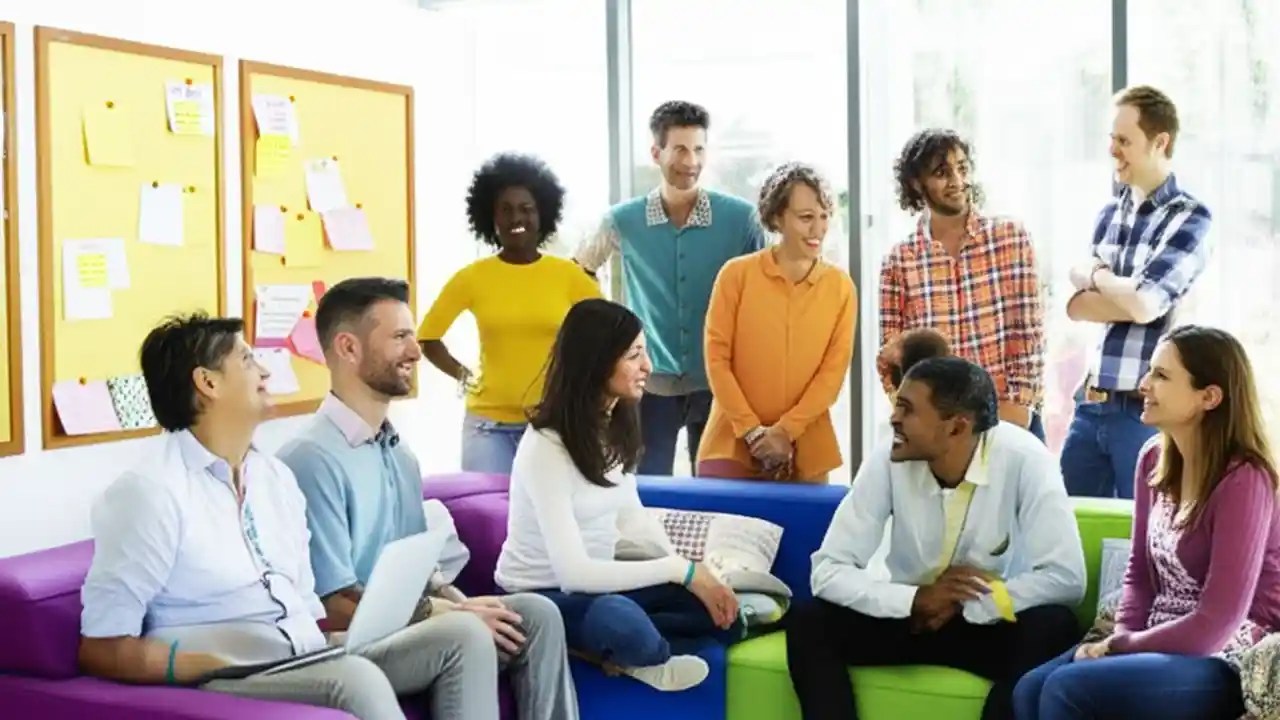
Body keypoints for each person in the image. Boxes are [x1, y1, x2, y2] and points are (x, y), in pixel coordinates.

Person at [78, 313, 429, 719]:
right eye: (247, 361)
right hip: (231, 673)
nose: (265, 372)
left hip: (303, 654)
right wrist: (203, 664)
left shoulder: (275, 478)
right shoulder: (150, 492)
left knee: (460, 637)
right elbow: (101, 647)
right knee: (357, 679)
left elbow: (305, 603)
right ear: (207, 383)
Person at [278, 277, 578, 720]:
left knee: (536, 614)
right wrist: (451, 615)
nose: (416, 352)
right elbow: (333, 603)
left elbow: (420, 574)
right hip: (348, 642)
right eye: (399, 337)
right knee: (466, 633)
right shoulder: (309, 459)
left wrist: (460, 602)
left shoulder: (400, 454)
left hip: (408, 625)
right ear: (348, 348)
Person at [786, 357, 1087, 720]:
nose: (894, 419)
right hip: (910, 619)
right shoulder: (887, 456)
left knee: (1055, 627)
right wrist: (915, 600)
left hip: (987, 625)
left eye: (907, 409)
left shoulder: (1026, 459)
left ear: (957, 427)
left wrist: (971, 601)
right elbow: (827, 571)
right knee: (810, 620)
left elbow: (1067, 578)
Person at [1013, 325, 1280, 720]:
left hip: (1225, 655)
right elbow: (1139, 574)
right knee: (1029, 689)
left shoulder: (1245, 479)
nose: (1143, 384)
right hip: (1157, 637)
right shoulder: (1152, 459)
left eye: (1161, 375)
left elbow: (1217, 623)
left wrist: (1120, 648)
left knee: (1068, 688)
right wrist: (1123, 637)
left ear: (1209, 397)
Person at [495, 298, 742, 692]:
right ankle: (641, 656)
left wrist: (694, 576)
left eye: (645, 353)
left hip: (600, 588)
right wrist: (679, 571)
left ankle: (618, 653)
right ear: (596, 362)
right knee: (617, 619)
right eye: (634, 355)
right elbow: (574, 575)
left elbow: (632, 519)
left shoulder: (613, 425)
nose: (648, 367)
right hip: (541, 599)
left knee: (724, 615)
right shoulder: (545, 445)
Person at [572, 101, 766, 475]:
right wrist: (611, 332)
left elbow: (761, 293)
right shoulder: (621, 220)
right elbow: (579, 269)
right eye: (679, 149)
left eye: (698, 149)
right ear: (656, 153)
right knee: (647, 488)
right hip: (648, 385)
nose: (690, 161)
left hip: (720, 384)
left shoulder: (742, 219)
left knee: (715, 490)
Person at [1061, 85, 1212, 499]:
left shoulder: (1191, 218)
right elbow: (1076, 306)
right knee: (1069, 525)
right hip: (1090, 405)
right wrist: (1125, 291)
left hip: (1143, 412)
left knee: (1145, 530)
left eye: (1124, 141)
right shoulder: (1109, 214)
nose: (1113, 150)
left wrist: (1097, 275)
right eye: (1111, 139)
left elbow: (1145, 305)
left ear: (1160, 142)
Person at [419, 152, 602, 474]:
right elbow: (428, 337)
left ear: (541, 215)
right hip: (487, 427)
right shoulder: (472, 277)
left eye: (526, 209)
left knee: (549, 506)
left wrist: (583, 387)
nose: (516, 217)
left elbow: (611, 336)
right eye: (505, 209)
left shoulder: (568, 276)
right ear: (491, 218)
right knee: (489, 507)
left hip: (553, 425)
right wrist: (464, 376)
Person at [878, 129, 1046, 442]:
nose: (957, 180)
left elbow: (1028, 333)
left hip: (1011, 419)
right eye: (942, 173)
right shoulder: (899, 261)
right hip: (940, 432)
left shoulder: (1010, 237)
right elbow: (892, 359)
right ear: (916, 184)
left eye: (962, 168)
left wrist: (1018, 410)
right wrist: (923, 417)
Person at [697, 162, 856, 483]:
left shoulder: (841, 288)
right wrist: (752, 432)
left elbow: (832, 375)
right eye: (806, 217)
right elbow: (716, 361)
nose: (818, 229)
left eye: (824, 216)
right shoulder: (735, 276)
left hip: (808, 450)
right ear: (778, 217)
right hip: (730, 444)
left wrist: (785, 431)